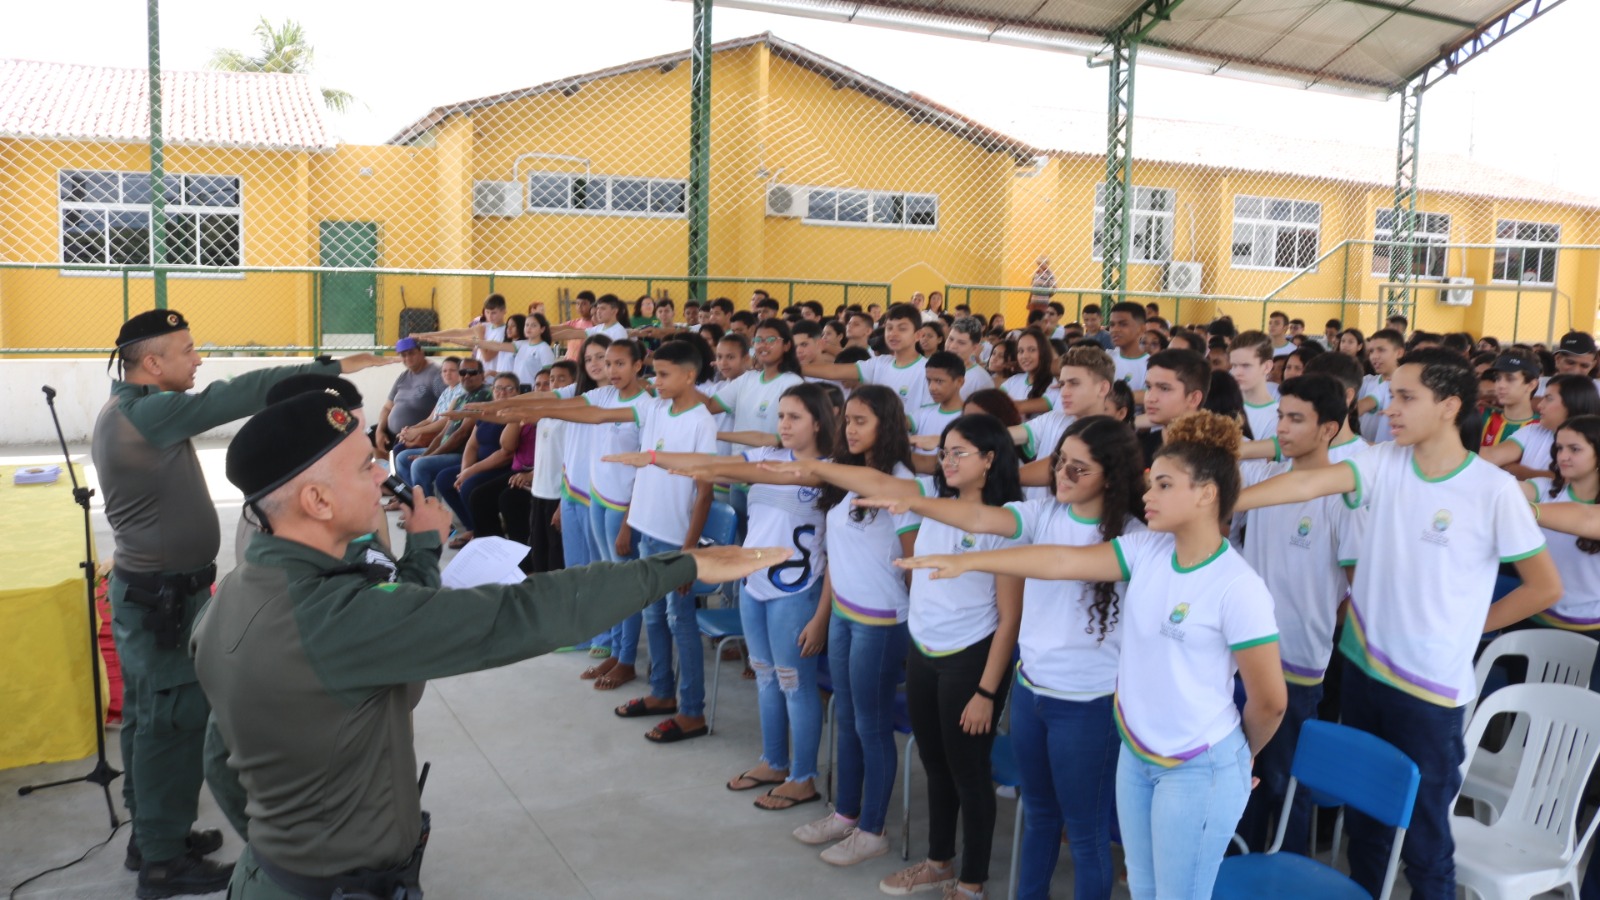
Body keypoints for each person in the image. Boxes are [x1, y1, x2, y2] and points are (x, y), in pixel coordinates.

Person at [193, 390, 781, 899]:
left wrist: (285, 846)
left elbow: (221, 759)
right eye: (365, 468)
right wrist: (679, 566)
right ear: (316, 502)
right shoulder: (332, 617)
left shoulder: (237, 595)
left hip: (280, 876)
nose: (383, 476)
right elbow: (523, 610)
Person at [902, 412, 1287, 900]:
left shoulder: (1238, 587)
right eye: (1150, 483)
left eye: (1164, 485)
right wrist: (969, 560)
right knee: (1144, 886)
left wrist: (1238, 758)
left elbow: (1270, 701)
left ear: (1207, 494)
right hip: (1138, 748)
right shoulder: (1146, 550)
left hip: (1196, 761)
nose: (1148, 495)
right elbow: (1059, 560)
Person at [1235, 348, 1561, 899]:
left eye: (1407, 397)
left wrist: (1469, 626)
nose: (1391, 409)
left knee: (1425, 842)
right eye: (1392, 396)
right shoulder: (1381, 462)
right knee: (1366, 828)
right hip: (1365, 673)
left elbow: (1544, 586)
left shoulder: (1492, 490)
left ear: (1450, 405)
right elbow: (1303, 485)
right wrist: (1219, 501)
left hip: (1432, 696)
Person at [93, 309, 392, 895]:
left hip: (160, 591)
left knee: (153, 719)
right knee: (169, 724)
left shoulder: (131, 406)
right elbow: (240, 394)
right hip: (162, 599)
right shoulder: (146, 412)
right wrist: (324, 372)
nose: (198, 359)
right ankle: (160, 858)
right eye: (187, 350)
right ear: (152, 363)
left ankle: (155, 833)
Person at [612, 383, 839, 809]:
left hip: (799, 591)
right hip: (754, 584)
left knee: (795, 683)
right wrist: (654, 459)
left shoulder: (832, 471)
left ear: (819, 422)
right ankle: (774, 761)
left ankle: (804, 776)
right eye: (781, 416)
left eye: (795, 417)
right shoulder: (766, 455)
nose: (784, 425)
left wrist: (822, 615)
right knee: (767, 677)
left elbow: (837, 554)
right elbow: (714, 464)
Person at [850, 416, 1029, 900]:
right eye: (945, 452)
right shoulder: (937, 509)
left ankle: (971, 882)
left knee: (970, 773)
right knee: (935, 763)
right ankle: (938, 862)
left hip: (970, 660)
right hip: (924, 650)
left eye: (960, 453)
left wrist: (988, 693)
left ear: (990, 460)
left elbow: (1009, 619)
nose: (947, 461)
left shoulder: (1007, 521)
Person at [747, 386, 921, 866]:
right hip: (845, 615)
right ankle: (845, 815)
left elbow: (914, 561)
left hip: (880, 624)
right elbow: (836, 556)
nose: (851, 428)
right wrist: (828, 613)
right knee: (847, 718)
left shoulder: (900, 480)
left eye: (862, 421)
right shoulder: (846, 480)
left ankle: (873, 828)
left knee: (871, 725)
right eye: (849, 420)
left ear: (887, 425)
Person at [1233, 375, 1365, 854]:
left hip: (1298, 662)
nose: (1281, 429)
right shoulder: (1263, 479)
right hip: (1241, 654)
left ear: (1329, 428)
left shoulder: (1344, 498)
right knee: (1241, 775)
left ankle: (1288, 869)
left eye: (1295, 419)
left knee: (1286, 780)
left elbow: (1355, 590)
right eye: (1280, 417)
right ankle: (1240, 866)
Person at [434, 373, 523, 547]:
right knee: (444, 478)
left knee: (469, 486)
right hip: (480, 465)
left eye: (508, 388)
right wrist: (464, 470)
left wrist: (470, 472)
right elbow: (472, 445)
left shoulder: (517, 415)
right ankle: (473, 526)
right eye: (498, 388)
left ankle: (490, 536)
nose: (502, 392)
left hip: (502, 467)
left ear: (518, 392)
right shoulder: (486, 412)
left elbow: (506, 454)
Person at [805, 303, 931, 414]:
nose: (893, 333)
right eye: (889, 327)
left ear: (918, 335)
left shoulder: (927, 370)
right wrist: (792, 366)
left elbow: (928, 414)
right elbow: (833, 371)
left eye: (902, 329)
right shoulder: (879, 364)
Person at [1481, 374, 1600, 479]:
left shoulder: (1595, 441)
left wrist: (1523, 472)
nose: (1540, 405)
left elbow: (1575, 482)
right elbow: (1492, 456)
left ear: (1573, 403)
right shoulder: (1533, 430)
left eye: (1549, 399)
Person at [373, 337, 445, 458]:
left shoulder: (436, 374)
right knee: (364, 440)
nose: (407, 358)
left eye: (411, 353)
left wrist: (418, 430)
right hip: (392, 434)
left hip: (415, 436)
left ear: (421, 351)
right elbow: (387, 407)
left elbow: (445, 407)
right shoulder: (404, 376)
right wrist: (379, 431)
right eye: (403, 355)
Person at [1480, 348, 1542, 448]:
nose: (1500, 385)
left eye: (1510, 379)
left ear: (1531, 385)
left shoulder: (1542, 428)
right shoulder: (1481, 415)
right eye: (1498, 378)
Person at [1228, 331, 1280, 441]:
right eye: (1234, 365)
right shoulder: (1223, 404)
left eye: (1246, 365)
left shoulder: (1276, 417)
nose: (1237, 372)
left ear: (1267, 367)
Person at [1355, 328, 1405, 443]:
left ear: (1399, 353)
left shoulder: (1407, 387)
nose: (1374, 356)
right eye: (1371, 351)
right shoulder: (1366, 382)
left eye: (1381, 350)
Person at [1001, 328, 1058, 419]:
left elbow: (1018, 407)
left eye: (1032, 350)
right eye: (1021, 351)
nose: (1025, 356)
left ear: (1043, 352)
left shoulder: (1053, 385)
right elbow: (994, 400)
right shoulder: (1013, 381)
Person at [1107, 302, 1149, 401]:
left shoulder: (1151, 364)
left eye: (1123, 324)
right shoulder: (1106, 359)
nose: (1115, 330)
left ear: (1142, 329)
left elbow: (1150, 396)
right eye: (1112, 325)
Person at [946, 316, 995, 400]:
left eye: (961, 343)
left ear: (974, 348)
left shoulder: (981, 380)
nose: (952, 346)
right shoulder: (932, 369)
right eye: (950, 339)